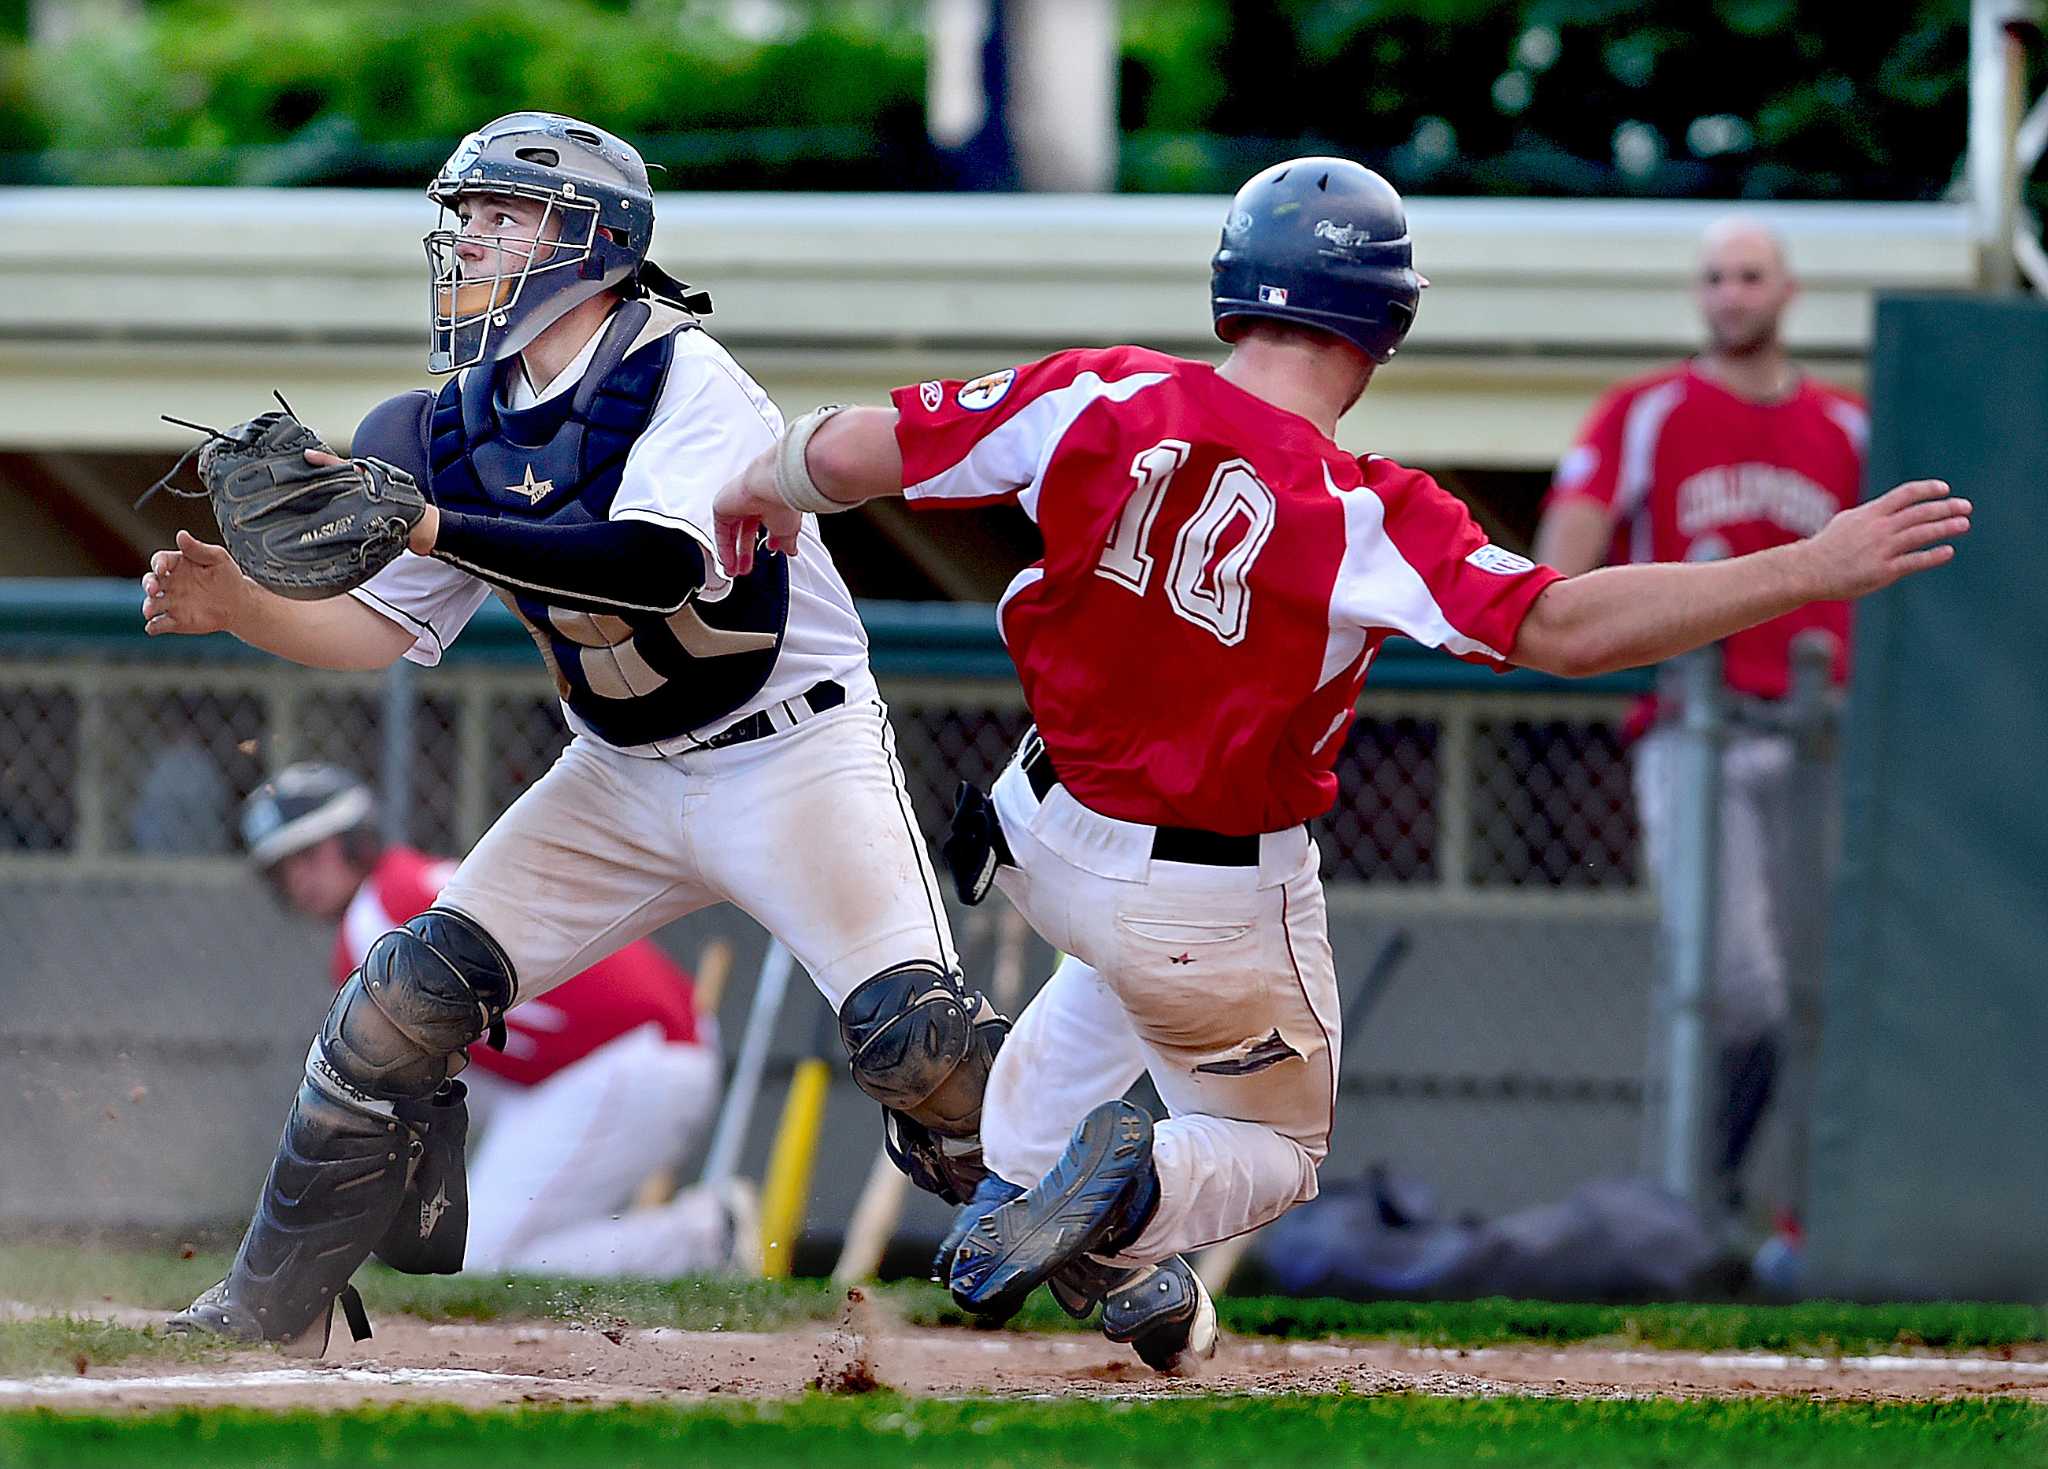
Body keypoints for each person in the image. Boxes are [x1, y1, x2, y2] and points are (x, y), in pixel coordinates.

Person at [712, 158, 1969, 1367]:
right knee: (1275, 1147)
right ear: (1385, 321)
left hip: (1038, 834)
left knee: (1082, 1041)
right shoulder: (1367, 506)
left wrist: (758, 481)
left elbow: (854, 449)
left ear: (1231, 287)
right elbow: (1564, 627)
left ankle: (1039, 1193)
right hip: (1202, 895)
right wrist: (1809, 566)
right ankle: (1130, 1187)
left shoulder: (1096, 390)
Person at [141, 113, 1009, 1354]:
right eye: (468, 217)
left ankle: (1125, 1258)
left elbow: (653, 566)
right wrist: (244, 610)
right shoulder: (441, 427)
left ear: (592, 241)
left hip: (789, 752)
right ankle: (266, 1305)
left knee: (917, 1046)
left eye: (506, 216)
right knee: (401, 995)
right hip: (616, 772)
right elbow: (379, 632)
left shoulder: (676, 374)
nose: (472, 241)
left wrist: (434, 530)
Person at [1533, 217, 1865, 1229]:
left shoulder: (1846, 426)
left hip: (1822, 732)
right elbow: (1558, 567)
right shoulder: (1645, 413)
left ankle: (1800, 1219)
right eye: (1713, 277)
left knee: (1830, 988)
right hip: (1694, 724)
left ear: (1787, 290)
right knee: (1739, 988)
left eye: (1748, 275)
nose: (1729, 293)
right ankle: (1702, 1197)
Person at [241, 762, 750, 1277]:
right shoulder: (408, 883)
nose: (298, 879)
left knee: (480, 1263)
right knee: (466, 1229)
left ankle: (703, 1239)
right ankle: (698, 1239)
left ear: (354, 840)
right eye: (283, 869)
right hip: (620, 1056)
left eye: (308, 855)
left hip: (625, 1058)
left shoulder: (376, 918)